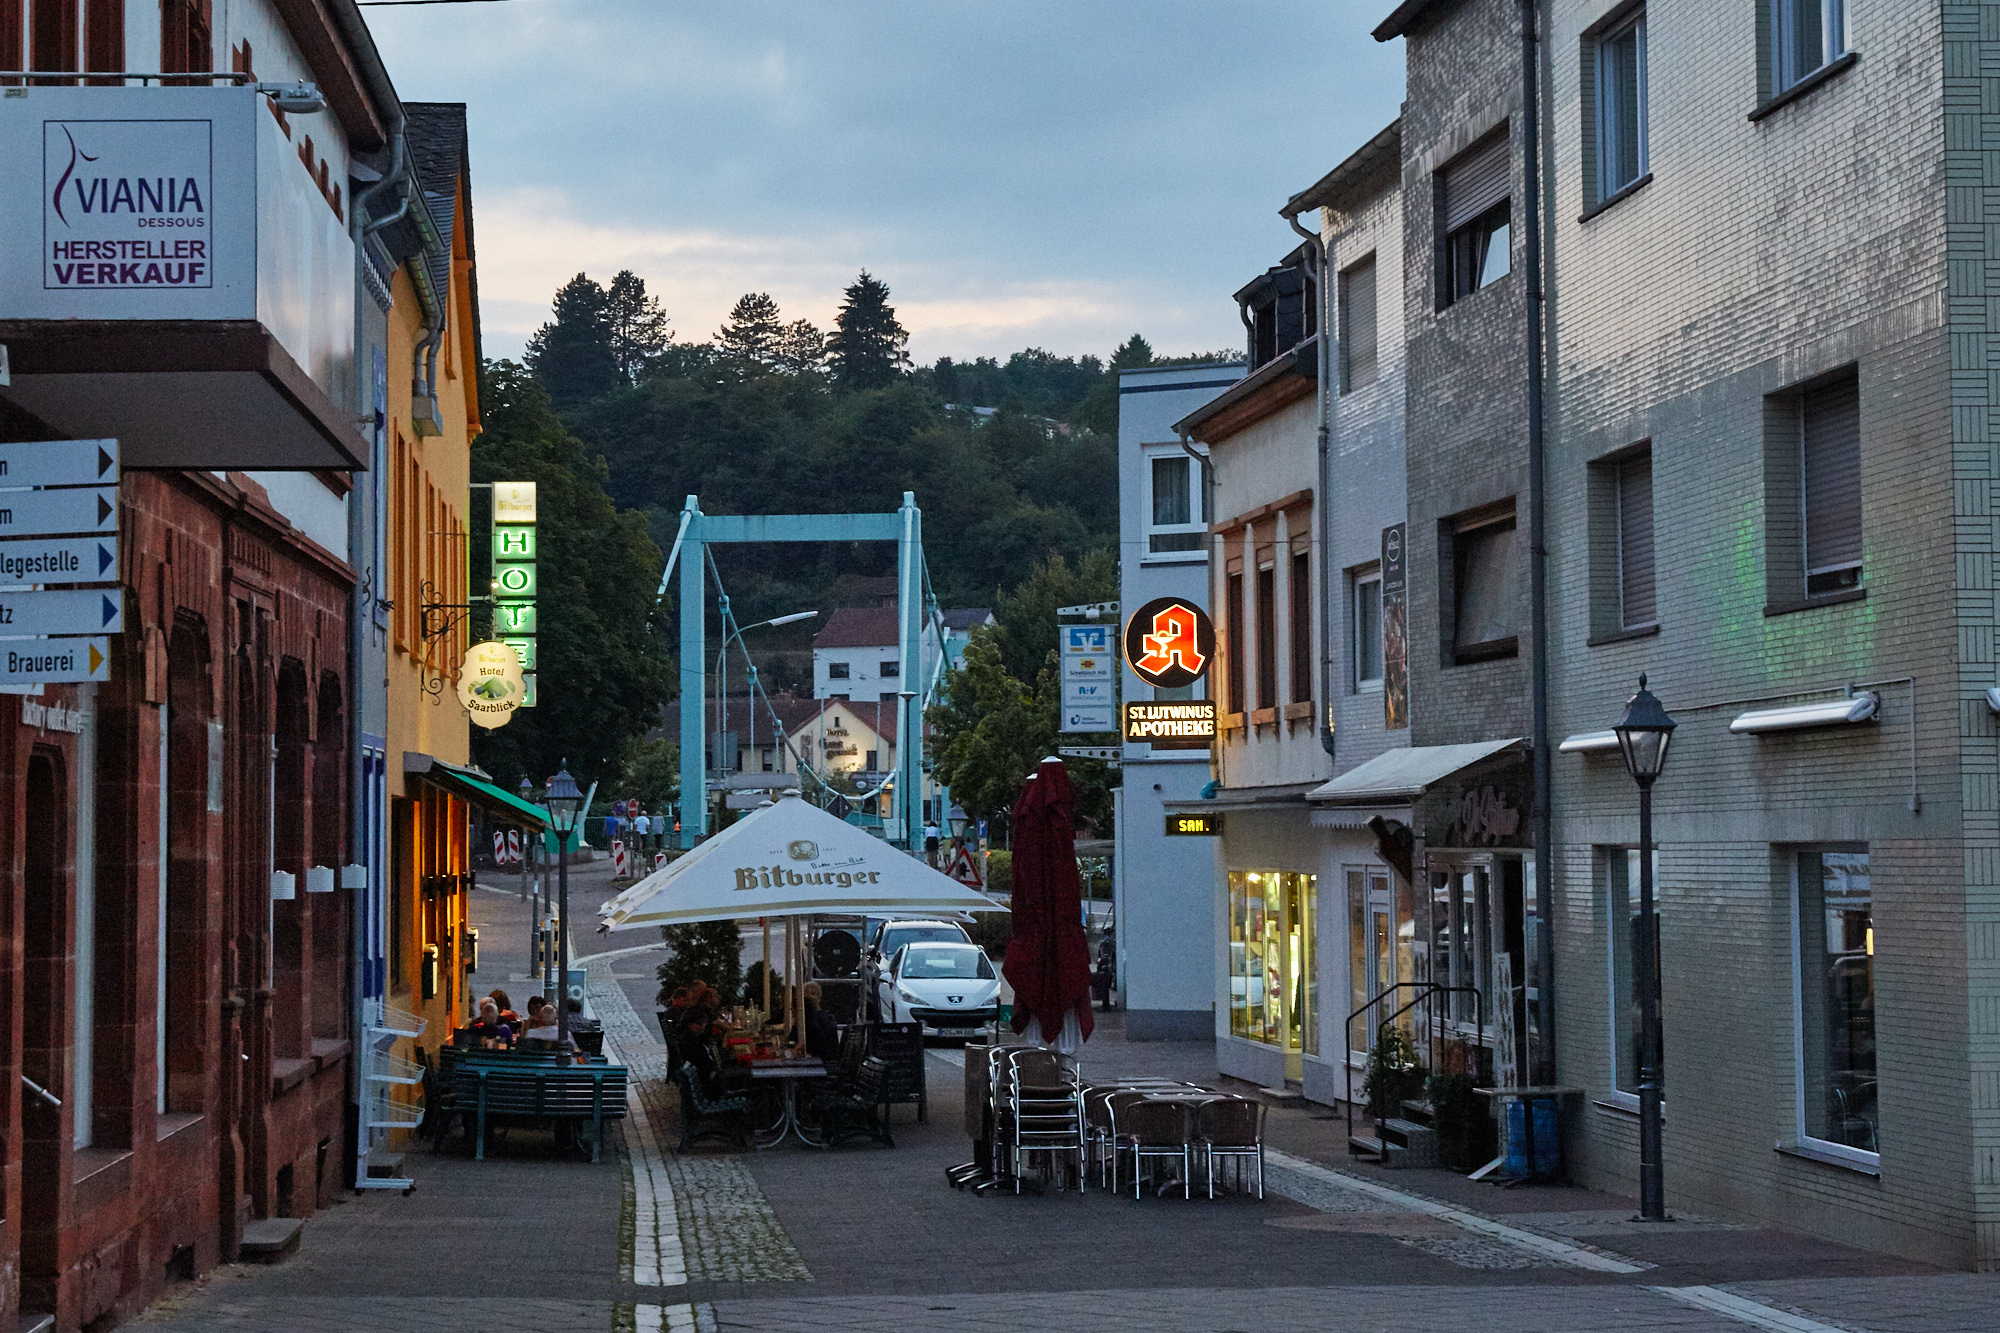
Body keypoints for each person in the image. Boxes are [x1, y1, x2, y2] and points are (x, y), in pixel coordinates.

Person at [802, 981, 839, 1062]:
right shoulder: (825, 1018)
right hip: (828, 1061)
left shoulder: (811, 1020)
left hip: (821, 1063)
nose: (809, 996)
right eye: (806, 993)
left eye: (812, 993)